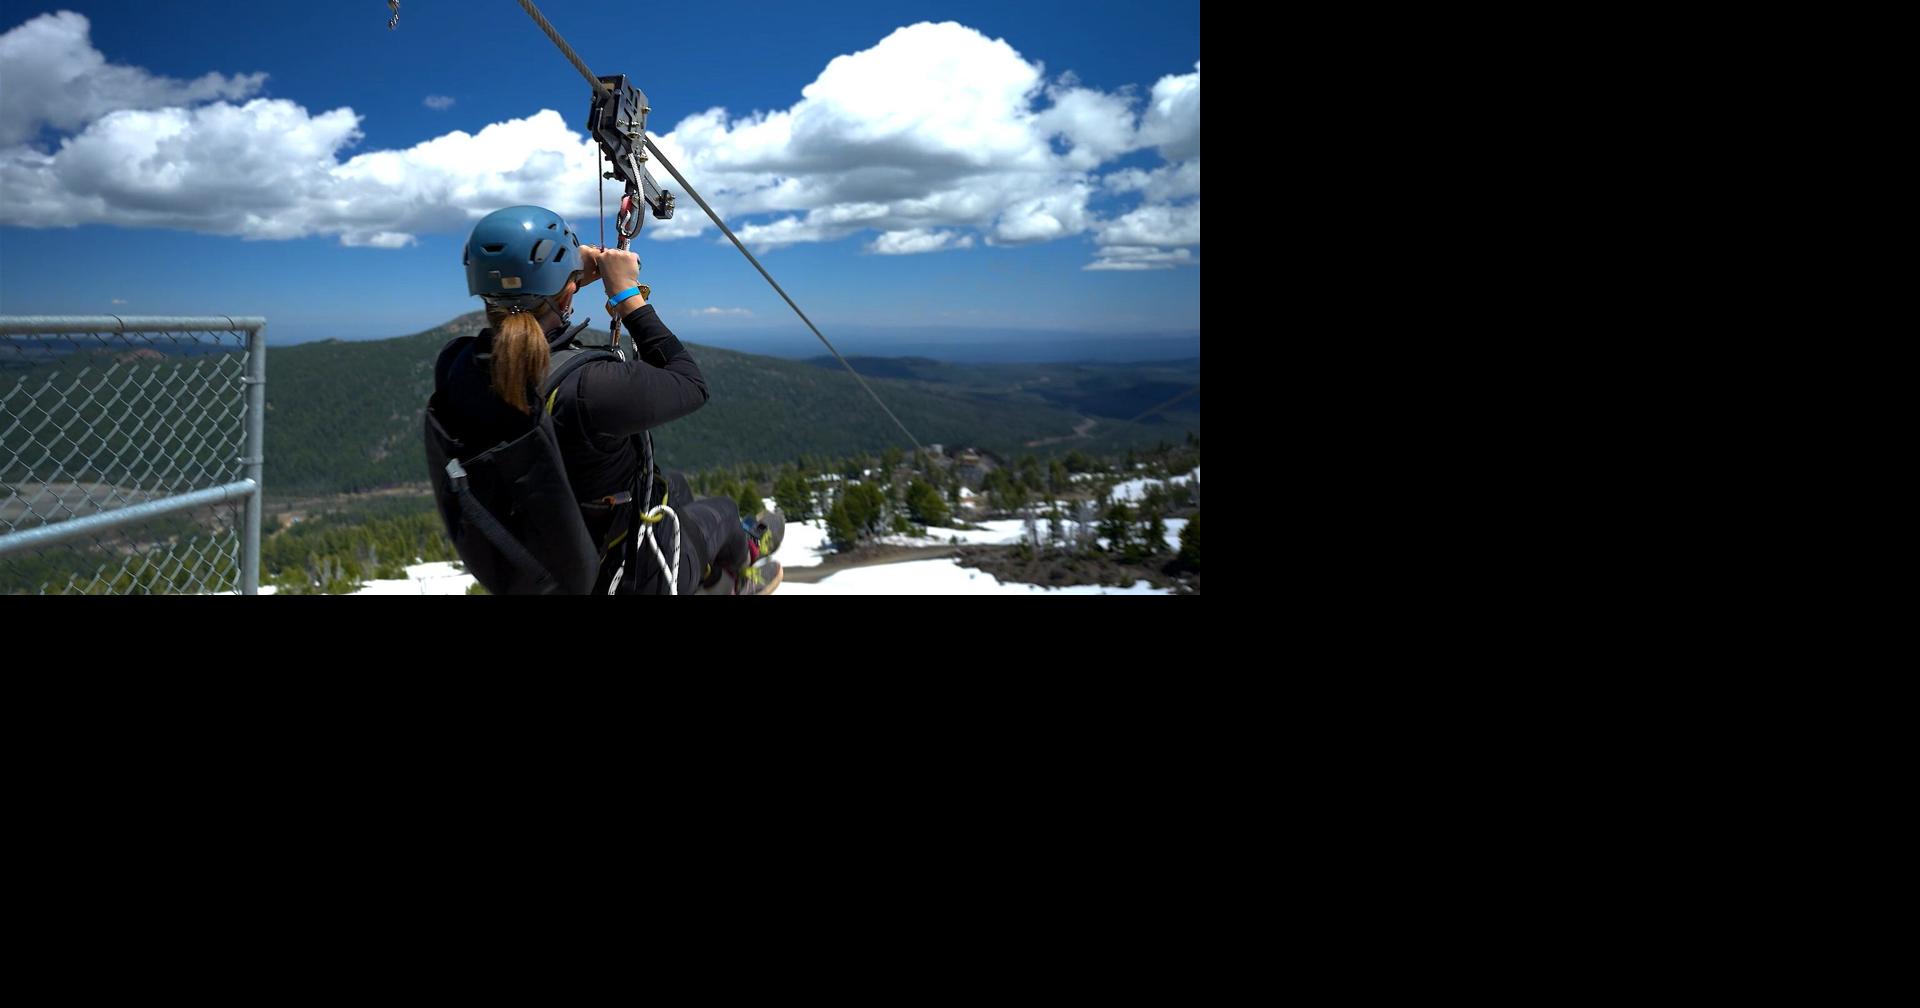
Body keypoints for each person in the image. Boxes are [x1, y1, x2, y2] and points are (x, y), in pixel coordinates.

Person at [433, 204, 779, 594]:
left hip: (548, 555)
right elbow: (690, 382)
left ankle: (706, 563)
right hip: (632, 576)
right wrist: (628, 296)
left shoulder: (456, 365)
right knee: (726, 514)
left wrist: (565, 278)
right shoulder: (588, 387)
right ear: (567, 292)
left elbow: (522, 325)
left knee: (676, 486)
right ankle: (737, 577)